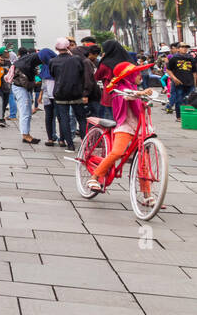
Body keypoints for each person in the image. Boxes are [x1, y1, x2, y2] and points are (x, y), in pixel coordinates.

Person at [88, 61, 151, 196]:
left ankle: (147, 195)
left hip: (139, 129)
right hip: (126, 127)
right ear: (128, 76)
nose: (140, 76)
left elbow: (136, 97)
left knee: (143, 160)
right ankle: (94, 177)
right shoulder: (120, 88)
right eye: (136, 73)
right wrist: (140, 93)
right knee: (117, 152)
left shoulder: (132, 87)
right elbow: (127, 95)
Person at [48, 38, 86, 150]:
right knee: (81, 118)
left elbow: (53, 75)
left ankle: (69, 144)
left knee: (64, 119)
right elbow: (81, 73)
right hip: (76, 92)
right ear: (68, 47)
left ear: (56, 48)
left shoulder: (53, 61)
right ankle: (84, 142)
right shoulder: (77, 59)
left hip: (60, 92)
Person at [166, 41, 195, 121]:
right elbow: (168, 70)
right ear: (178, 49)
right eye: (183, 47)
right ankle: (179, 117)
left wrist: (195, 83)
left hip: (190, 82)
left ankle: (187, 116)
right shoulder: (174, 58)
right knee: (179, 100)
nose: (185, 49)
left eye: (186, 47)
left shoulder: (191, 58)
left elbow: (194, 72)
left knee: (190, 100)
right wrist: (174, 78)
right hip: (179, 83)